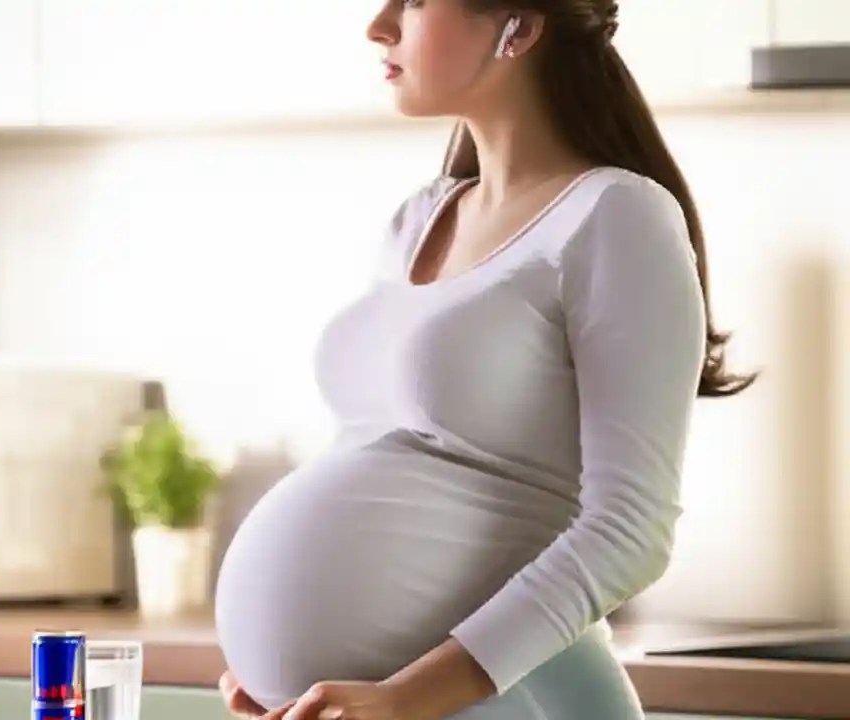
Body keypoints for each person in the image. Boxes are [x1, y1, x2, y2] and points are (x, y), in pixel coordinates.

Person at [212, 1, 756, 718]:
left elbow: (633, 531)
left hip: (517, 701)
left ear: (519, 28)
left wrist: (405, 697)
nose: (379, 24)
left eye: (413, 1)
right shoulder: (421, 217)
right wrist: (287, 666)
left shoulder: (616, 216)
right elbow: (390, 463)